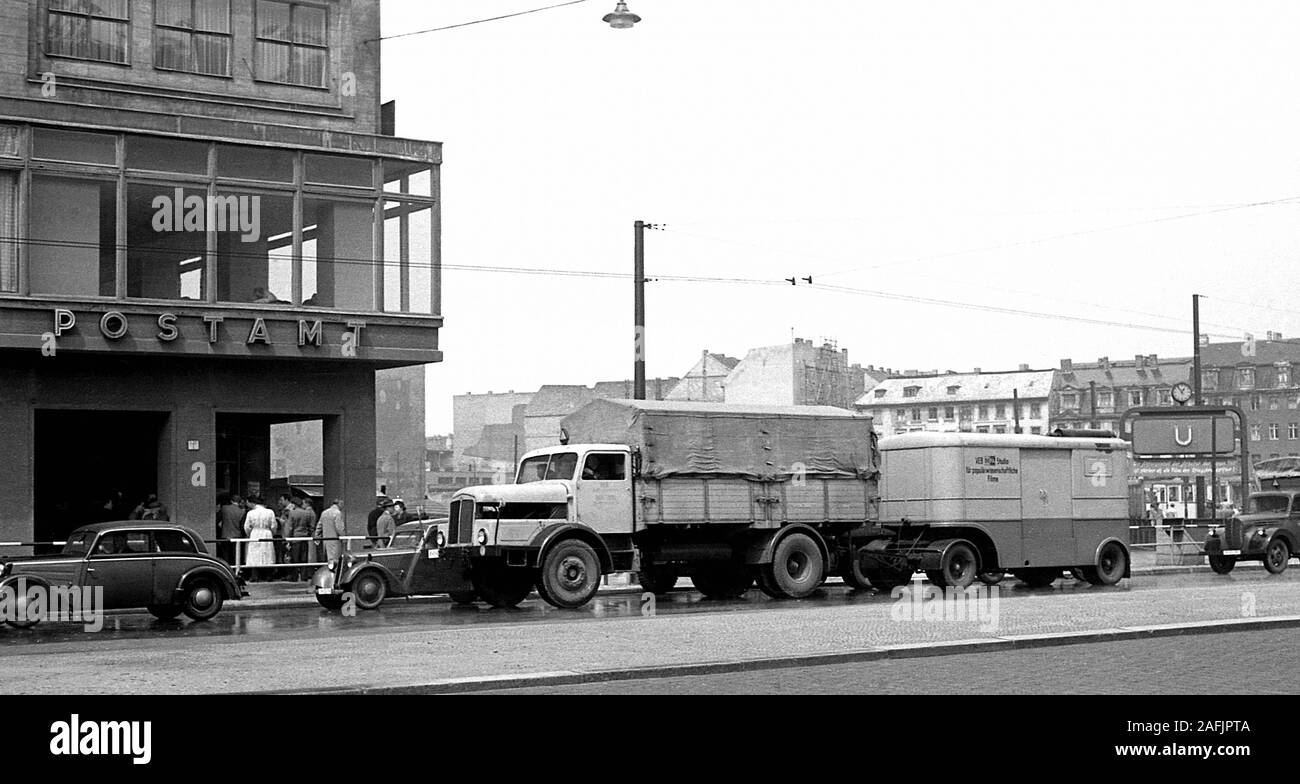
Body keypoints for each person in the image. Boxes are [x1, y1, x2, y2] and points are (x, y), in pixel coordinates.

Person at [243, 496, 277, 582]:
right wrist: (272, 533)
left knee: (254, 554)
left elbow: (247, 527)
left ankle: (255, 576)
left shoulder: (250, 513)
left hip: (255, 533)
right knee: (267, 554)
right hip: (266, 533)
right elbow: (273, 526)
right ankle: (268, 576)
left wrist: (249, 534)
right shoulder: (270, 512)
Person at [287, 497, 316, 580]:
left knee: (295, 558)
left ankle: (294, 576)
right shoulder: (306, 513)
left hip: (295, 537)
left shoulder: (292, 513)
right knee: (304, 558)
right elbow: (310, 526)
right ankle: (304, 576)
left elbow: (290, 527)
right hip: (304, 537)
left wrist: (288, 538)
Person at [217, 494, 246, 565]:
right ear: (239, 502)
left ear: (231, 501)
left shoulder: (224, 508)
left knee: (225, 555)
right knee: (236, 555)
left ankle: (226, 568)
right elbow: (242, 526)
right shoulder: (242, 512)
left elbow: (216, 520)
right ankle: (236, 570)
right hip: (237, 536)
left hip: (225, 535)